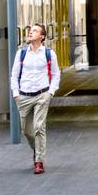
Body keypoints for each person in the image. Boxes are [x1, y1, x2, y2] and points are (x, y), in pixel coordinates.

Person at [11, 22, 59, 174]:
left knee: (39, 128)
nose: (30, 32)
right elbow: (14, 74)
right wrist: (16, 94)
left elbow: (56, 74)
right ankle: (36, 150)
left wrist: (50, 92)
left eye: (35, 31)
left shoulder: (49, 54)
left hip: (41, 95)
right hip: (24, 96)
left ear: (42, 36)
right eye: (30, 30)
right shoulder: (22, 53)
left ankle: (39, 161)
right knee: (27, 131)